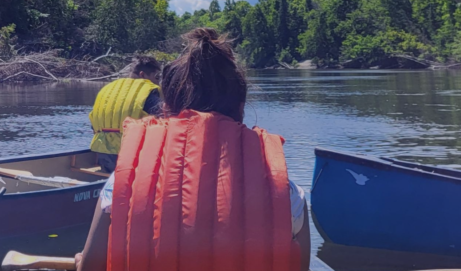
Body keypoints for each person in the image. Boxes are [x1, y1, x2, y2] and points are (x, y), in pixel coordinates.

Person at [76, 28, 310, 271]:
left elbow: (89, 268)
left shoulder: (122, 183)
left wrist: (82, 262)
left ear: (166, 109)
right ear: (241, 107)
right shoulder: (289, 194)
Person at [88, 55, 163, 173]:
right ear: (142, 75)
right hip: (131, 154)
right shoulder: (147, 92)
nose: (157, 82)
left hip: (103, 152)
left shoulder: (107, 89)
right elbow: (167, 117)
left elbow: (93, 125)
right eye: (156, 77)